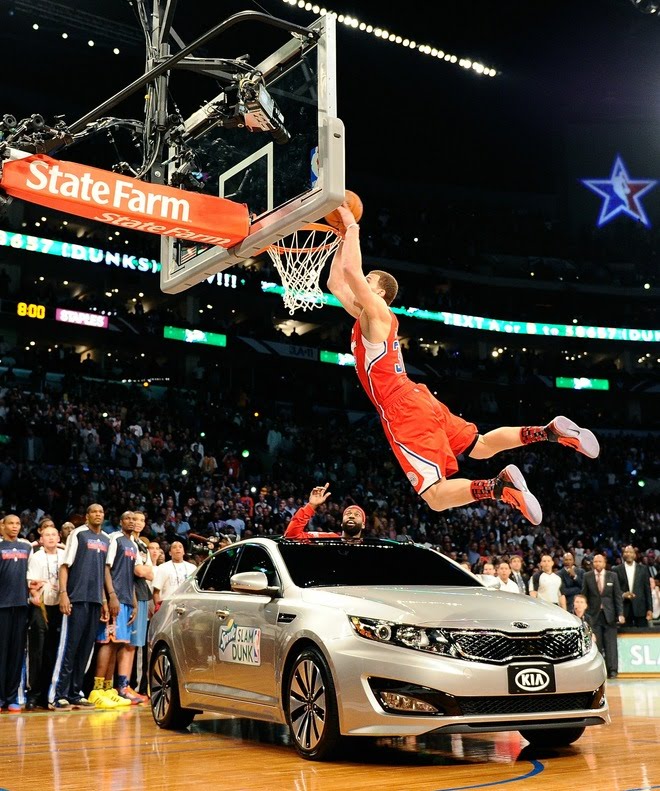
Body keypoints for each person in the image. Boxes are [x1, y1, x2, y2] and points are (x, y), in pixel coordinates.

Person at [326, 203, 601, 524]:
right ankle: (549, 432)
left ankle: (498, 488)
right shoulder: (365, 316)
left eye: (369, 280)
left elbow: (350, 274)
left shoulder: (378, 314)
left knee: (435, 497)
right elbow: (336, 284)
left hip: (401, 411)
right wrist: (340, 237)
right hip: (416, 398)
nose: (363, 282)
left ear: (381, 293)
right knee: (480, 446)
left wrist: (352, 224)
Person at [49, 503, 110, 710]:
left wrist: (104, 601)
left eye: (101, 512)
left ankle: (75, 692)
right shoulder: (78, 534)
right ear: (87, 516)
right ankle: (58, 694)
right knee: (69, 647)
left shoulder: (106, 539)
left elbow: (103, 573)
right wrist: (64, 594)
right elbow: (64, 566)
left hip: (94, 600)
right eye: (94, 511)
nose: (98, 515)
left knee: (86, 649)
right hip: (76, 598)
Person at [26, 523, 64, 710]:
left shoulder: (64, 556)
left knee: (53, 653)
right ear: (41, 539)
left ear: (59, 538)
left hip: (59, 607)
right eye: (46, 535)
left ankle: (49, 693)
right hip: (40, 607)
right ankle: (33, 694)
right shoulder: (36, 557)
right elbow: (31, 584)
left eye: (53, 534)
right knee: (37, 652)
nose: (50, 537)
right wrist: (36, 591)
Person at [0, 514, 32, 712]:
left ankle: (11, 696)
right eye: (10, 523)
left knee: (16, 653)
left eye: (17, 523)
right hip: (1, 606)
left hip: (21, 606)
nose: (14, 526)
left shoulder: (27, 547)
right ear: (2, 526)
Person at [581, 553, 625, 679]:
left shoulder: (613, 576)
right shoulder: (587, 576)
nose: (597, 564)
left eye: (600, 561)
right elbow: (584, 595)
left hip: (609, 615)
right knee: (597, 645)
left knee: (611, 645)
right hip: (593, 615)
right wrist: (585, 614)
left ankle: (613, 670)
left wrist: (620, 613)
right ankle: (599, 671)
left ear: (604, 563)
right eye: (595, 561)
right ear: (593, 563)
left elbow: (617, 596)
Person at [284, 484, 365, 542]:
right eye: (348, 514)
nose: (351, 516)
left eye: (357, 514)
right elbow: (292, 536)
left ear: (363, 524)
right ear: (341, 523)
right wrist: (311, 506)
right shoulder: (328, 538)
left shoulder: (372, 547)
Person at [613, 545, 653, 627]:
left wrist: (650, 609)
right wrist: (623, 594)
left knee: (642, 636)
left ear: (635, 555)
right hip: (624, 609)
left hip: (641, 609)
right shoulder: (616, 570)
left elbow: (647, 590)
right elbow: (615, 589)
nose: (628, 554)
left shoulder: (643, 569)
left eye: (631, 552)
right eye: (626, 552)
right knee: (626, 636)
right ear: (623, 555)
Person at [152, 541, 196, 607]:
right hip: (168, 606)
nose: (178, 549)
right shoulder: (163, 567)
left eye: (180, 547)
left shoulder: (192, 568)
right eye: (174, 547)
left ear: (183, 552)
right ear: (170, 553)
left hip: (188, 606)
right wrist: (158, 609)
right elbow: (156, 592)